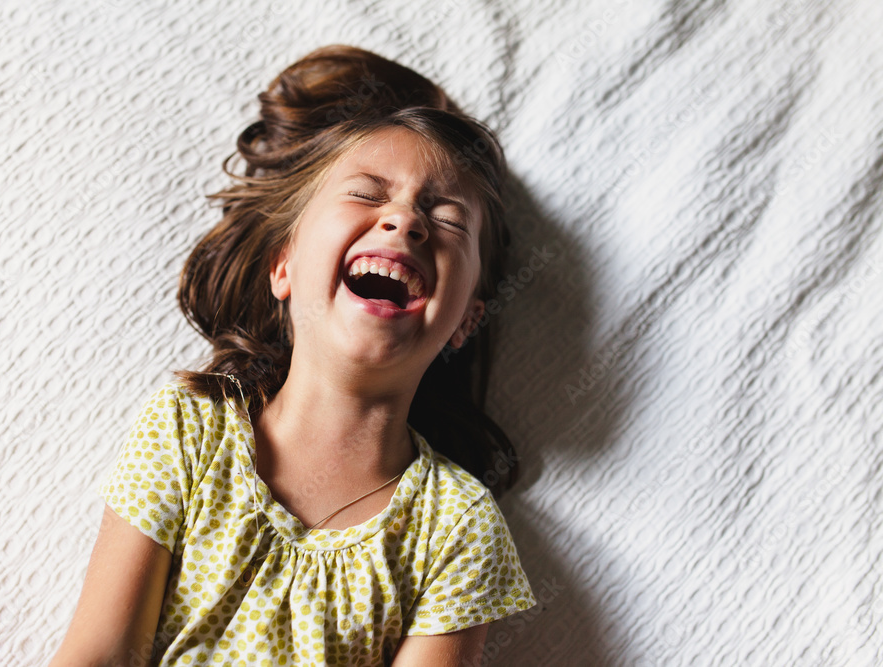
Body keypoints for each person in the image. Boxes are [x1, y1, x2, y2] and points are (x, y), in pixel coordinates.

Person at [49, 44, 537, 666]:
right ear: (284, 265)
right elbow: (99, 655)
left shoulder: (459, 527)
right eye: (367, 194)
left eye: (446, 219)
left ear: (467, 317)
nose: (405, 222)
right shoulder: (189, 430)